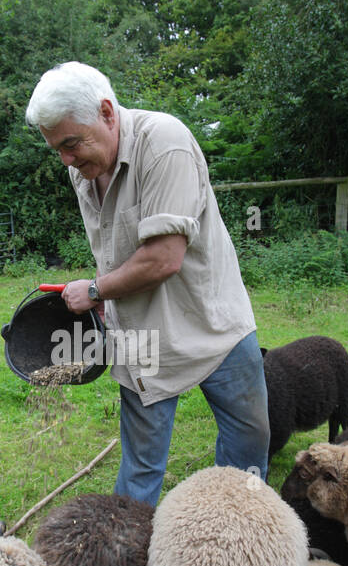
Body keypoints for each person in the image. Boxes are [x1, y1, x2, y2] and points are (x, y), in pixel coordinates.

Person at [25, 60, 269, 505]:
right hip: (142, 332)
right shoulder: (82, 168)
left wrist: (96, 290)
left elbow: (163, 258)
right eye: (56, 148)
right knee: (140, 467)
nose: (65, 159)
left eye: (71, 143)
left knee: (247, 446)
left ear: (106, 111)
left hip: (210, 316)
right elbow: (113, 249)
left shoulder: (165, 145)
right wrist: (105, 294)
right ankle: (128, 559)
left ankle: (241, 533)